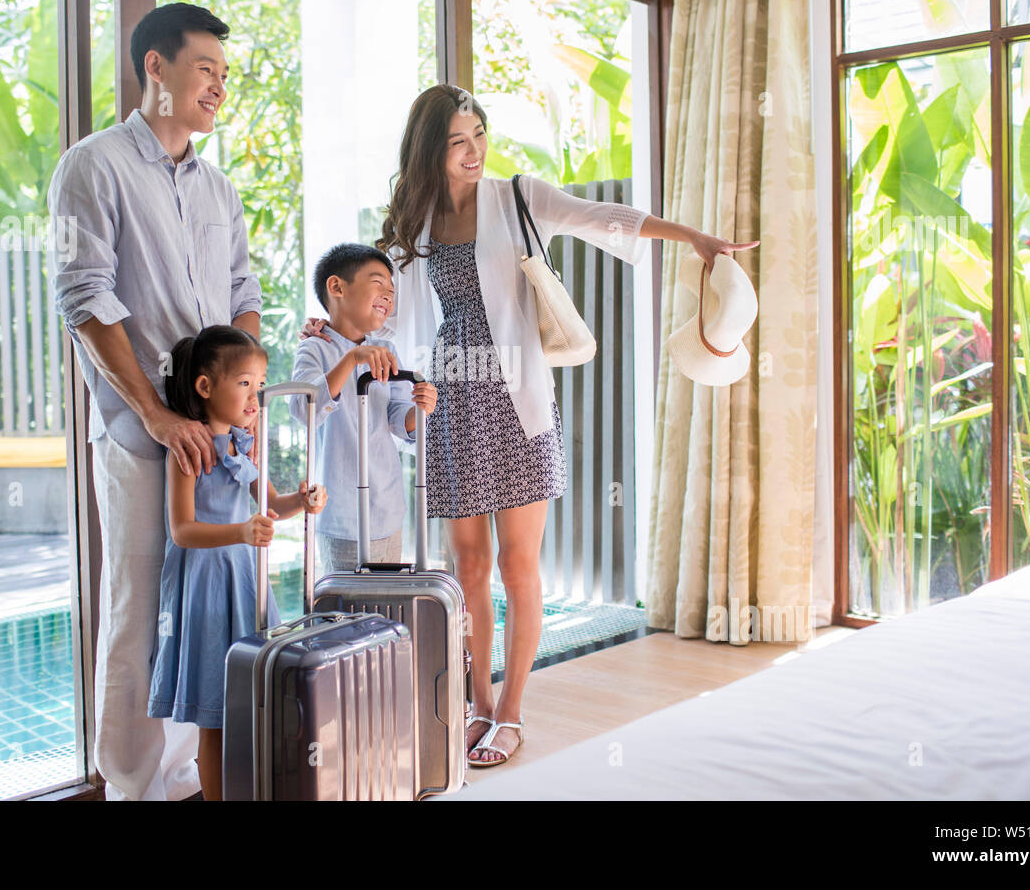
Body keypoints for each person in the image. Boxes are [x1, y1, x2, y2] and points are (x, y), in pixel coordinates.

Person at [301, 84, 758, 767]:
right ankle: (476, 706)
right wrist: (331, 327)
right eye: (458, 141)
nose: (474, 151)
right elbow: (379, 304)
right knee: (470, 569)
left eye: (479, 134)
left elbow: (601, 216)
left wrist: (690, 237)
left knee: (518, 566)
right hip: (449, 403)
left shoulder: (515, 194)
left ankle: (510, 712)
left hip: (518, 404)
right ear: (431, 149)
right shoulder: (411, 221)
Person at [49, 3, 262, 800]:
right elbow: (84, 298)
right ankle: (136, 787)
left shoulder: (221, 189)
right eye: (205, 68)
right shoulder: (92, 167)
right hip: (144, 438)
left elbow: (245, 295)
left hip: (221, 441)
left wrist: (234, 400)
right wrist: (157, 414)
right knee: (140, 612)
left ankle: (194, 779)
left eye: (223, 75)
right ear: (156, 69)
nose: (217, 87)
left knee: (212, 609)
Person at [147, 325, 326, 801]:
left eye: (260, 383)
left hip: (245, 577)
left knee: (250, 694)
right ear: (206, 388)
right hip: (205, 581)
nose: (256, 394)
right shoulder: (188, 448)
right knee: (215, 709)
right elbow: (181, 530)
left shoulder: (245, 445)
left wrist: (302, 500)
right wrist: (241, 532)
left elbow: (269, 505)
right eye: (245, 382)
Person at [289, 244, 437, 574]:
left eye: (391, 289)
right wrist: (351, 359)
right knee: (345, 610)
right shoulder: (313, 349)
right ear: (337, 287)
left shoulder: (386, 348)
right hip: (341, 514)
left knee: (384, 611)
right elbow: (303, 408)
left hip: (387, 509)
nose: (387, 294)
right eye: (377, 283)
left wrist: (420, 409)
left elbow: (399, 420)